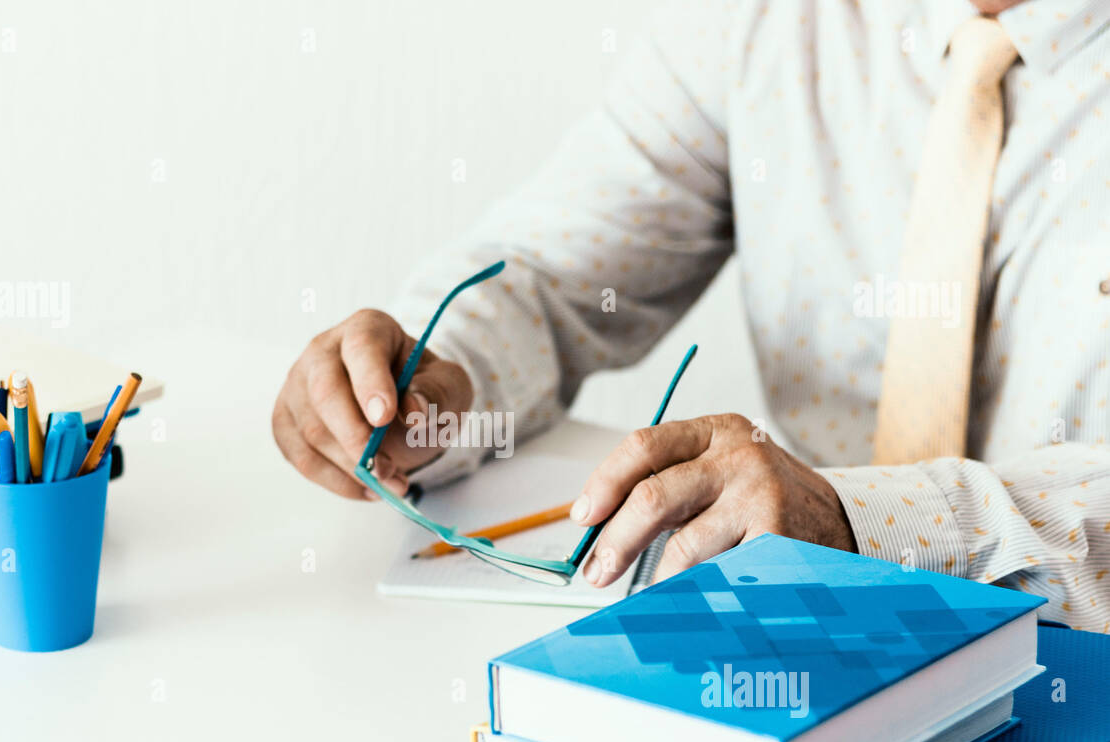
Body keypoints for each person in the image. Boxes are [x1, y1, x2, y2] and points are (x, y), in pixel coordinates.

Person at [273, 0, 1110, 631]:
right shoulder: (767, 20)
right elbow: (549, 277)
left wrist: (866, 526)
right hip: (802, 646)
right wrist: (437, 386)